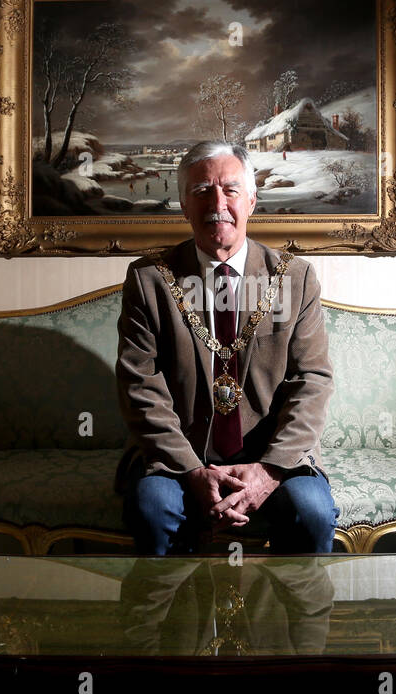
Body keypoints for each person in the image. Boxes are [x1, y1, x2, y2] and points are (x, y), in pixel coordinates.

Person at [116, 140, 338, 555]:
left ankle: (298, 621)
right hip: (178, 456)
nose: (217, 203)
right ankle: (168, 622)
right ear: (183, 204)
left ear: (251, 200)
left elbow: (312, 382)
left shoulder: (295, 279)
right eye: (201, 191)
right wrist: (194, 472)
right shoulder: (149, 281)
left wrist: (268, 470)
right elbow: (139, 386)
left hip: (276, 456)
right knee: (152, 507)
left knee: (311, 510)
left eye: (231, 190)